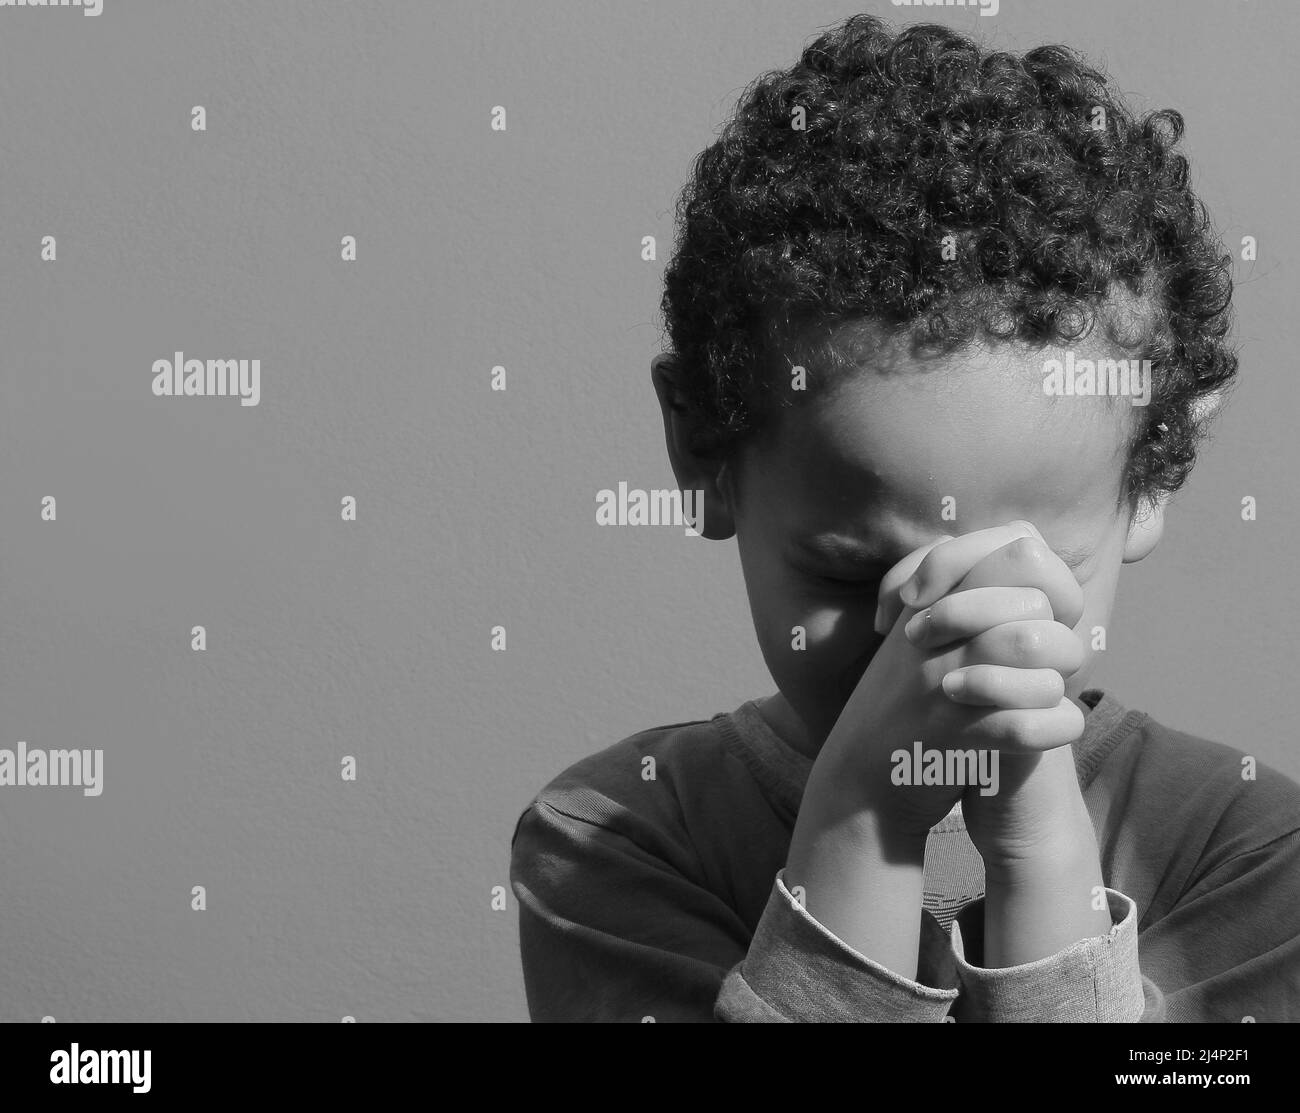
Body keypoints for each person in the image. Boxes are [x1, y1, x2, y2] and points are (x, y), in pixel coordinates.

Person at [509, 14, 1300, 1021]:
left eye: (1022, 571)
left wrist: (1044, 857)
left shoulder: (1246, 851)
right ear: (703, 449)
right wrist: (861, 826)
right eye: (852, 575)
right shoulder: (612, 839)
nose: (928, 639)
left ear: (1150, 480)